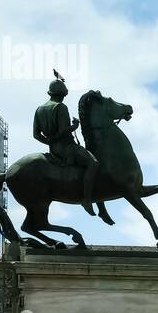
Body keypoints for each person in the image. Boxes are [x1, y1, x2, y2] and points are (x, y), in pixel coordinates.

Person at [32, 70, 99, 215]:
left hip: (53, 151)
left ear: (50, 93)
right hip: (68, 148)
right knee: (93, 163)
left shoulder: (39, 109)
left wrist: (49, 142)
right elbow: (63, 130)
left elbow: (36, 135)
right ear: (63, 94)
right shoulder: (60, 107)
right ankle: (87, 200)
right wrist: (75, 126)